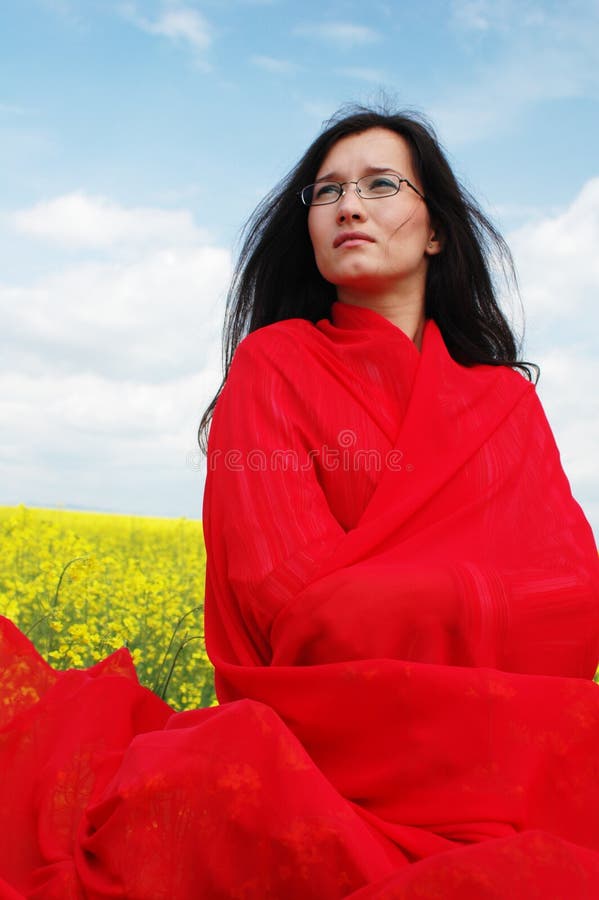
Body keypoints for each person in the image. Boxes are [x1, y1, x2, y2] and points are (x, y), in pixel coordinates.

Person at [1, 106, 598, 899]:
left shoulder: (504, 404)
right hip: (318, 745)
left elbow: (569, 597)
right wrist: (464, 596)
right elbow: (286, 595)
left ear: (434, 232)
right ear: (311, 231)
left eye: (380, 184)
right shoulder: (273, 363)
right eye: (326, 193)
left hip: (504, 753)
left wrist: (408, 596)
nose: (349, 205)